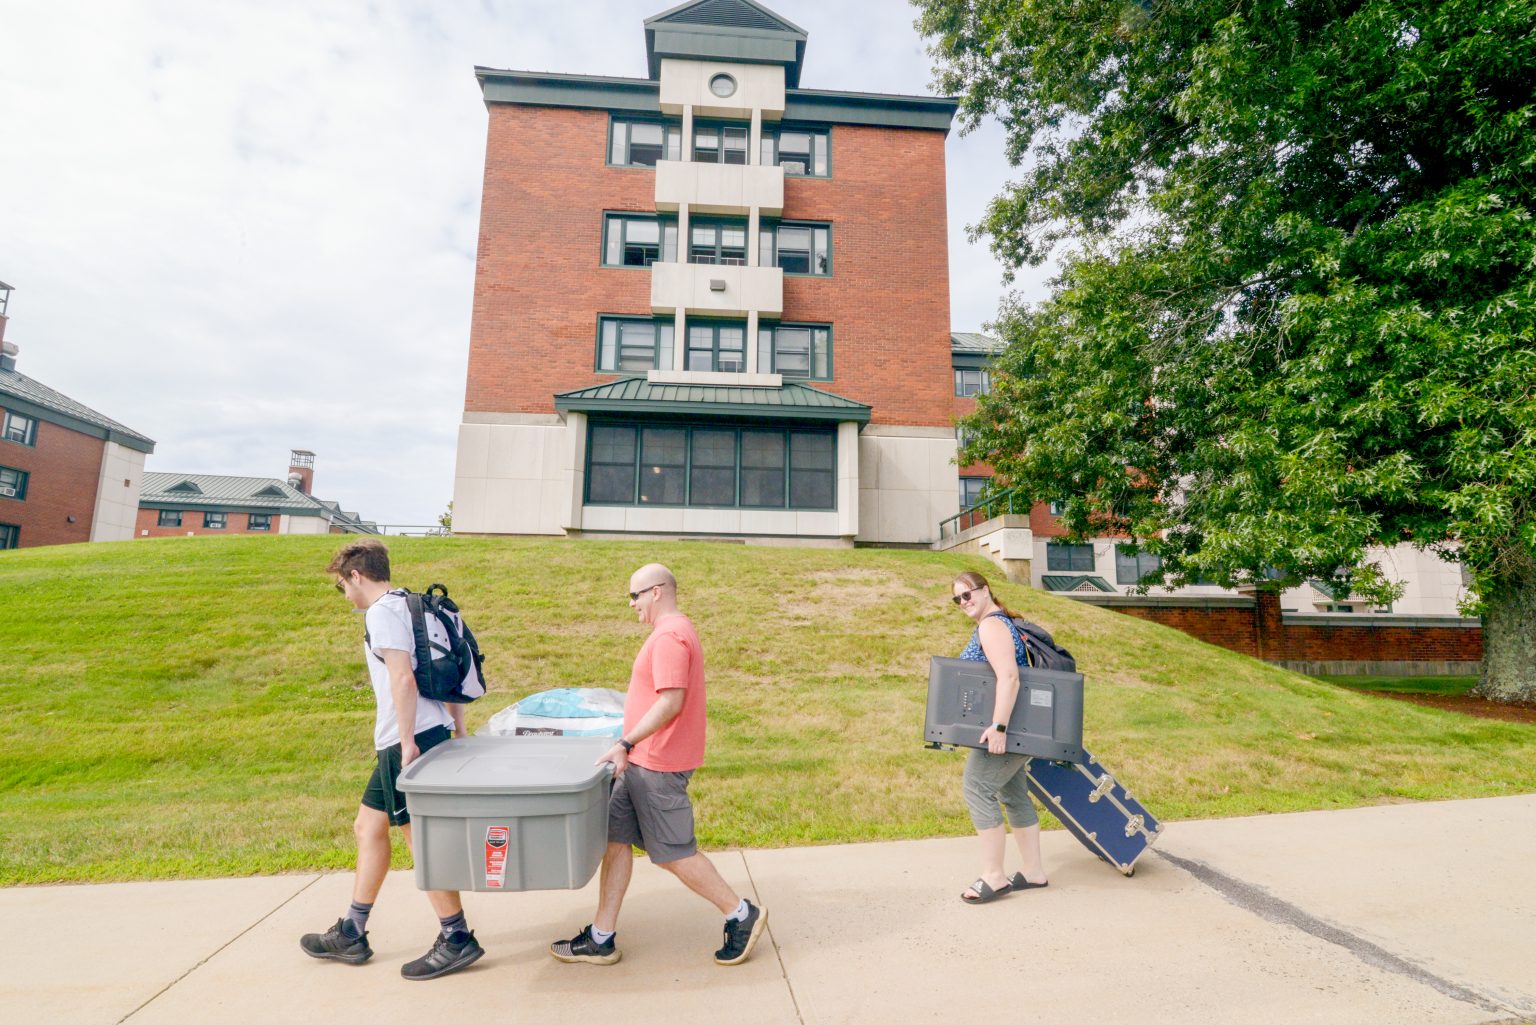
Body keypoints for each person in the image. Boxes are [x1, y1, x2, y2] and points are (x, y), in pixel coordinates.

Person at [550, 563, 767, 967]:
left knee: (673, 853)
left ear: (657, 592)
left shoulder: (670, 636)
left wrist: (625, 741)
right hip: (639, 761)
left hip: (658, 764)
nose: (631, 604)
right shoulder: (667, 634)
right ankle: (601, 937)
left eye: (634, 595)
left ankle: (741, 914)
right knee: (616, 842)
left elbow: (671, 701)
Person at [300, 539, 485, 980]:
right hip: (425, 729)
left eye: (341, 585)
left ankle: (456, 937)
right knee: (368, 826)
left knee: (415, 837)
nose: (344, 593)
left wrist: (405, 744)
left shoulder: (382, 611)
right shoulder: (412, 603)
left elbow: (403, 678)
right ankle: (352, 930)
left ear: (356, 576)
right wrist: (456, 728)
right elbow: (448, 668)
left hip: (408, 739)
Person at [951, 569, 1050, 904]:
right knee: (1014, 793)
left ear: (985, 590)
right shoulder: (1000, 622)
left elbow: (1008, 677)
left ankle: (994, 875)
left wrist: (999, 727)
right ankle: (1033, 871)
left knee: (976, 787)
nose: (963, 602)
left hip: (1006, 727)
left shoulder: (991, 625)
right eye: (957, 598)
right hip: (1021, 726)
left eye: (968, 594)